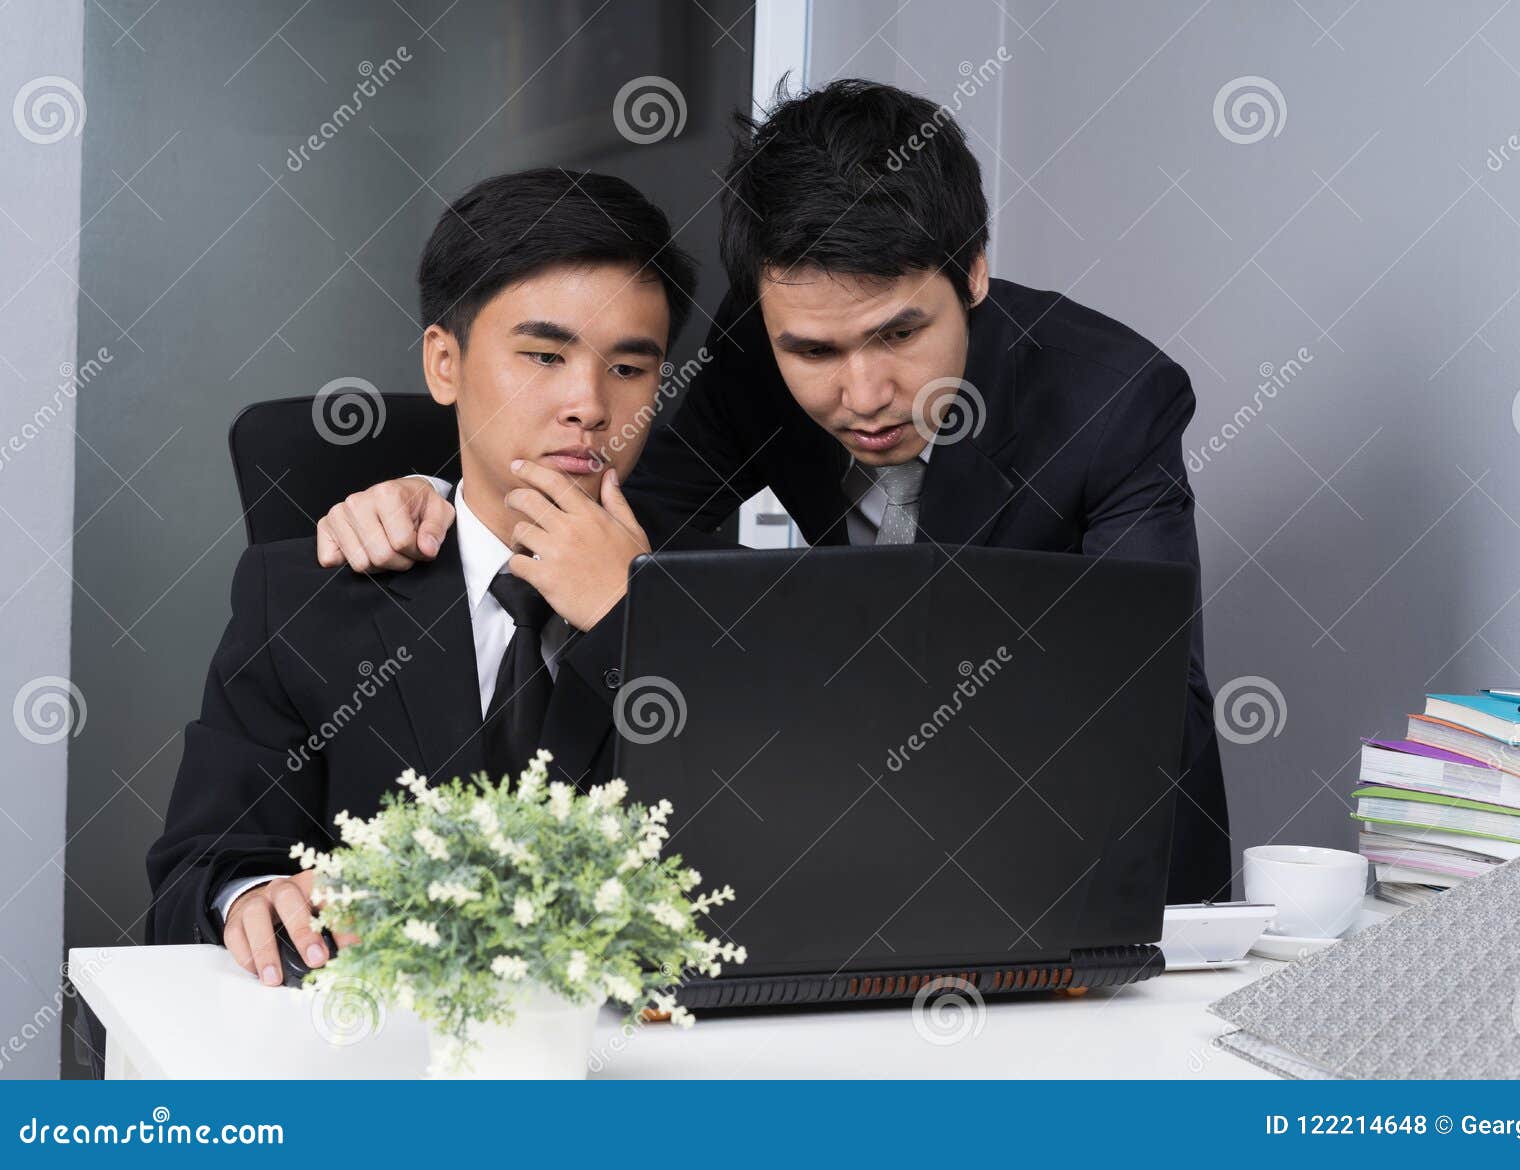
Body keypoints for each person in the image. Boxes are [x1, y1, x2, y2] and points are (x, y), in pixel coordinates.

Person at [313, 79, 1233, 904]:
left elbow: (1156, 722)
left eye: (901, 334)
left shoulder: (1113, 402)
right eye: (814, 352)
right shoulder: (755, 352)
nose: (865, 395)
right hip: (850, 855)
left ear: (975, 273)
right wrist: (432, 494)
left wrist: (653, 607)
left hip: (1088, 865)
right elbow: (618, 501)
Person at [146, 168, 701, 984]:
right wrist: (253, 895)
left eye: (629, 369)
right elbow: (195, 872)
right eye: (544, 355)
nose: (588, 403)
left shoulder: (720, 607)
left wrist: (631, 620)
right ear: (445, 364)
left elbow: (786, 868)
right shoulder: (301, 596)